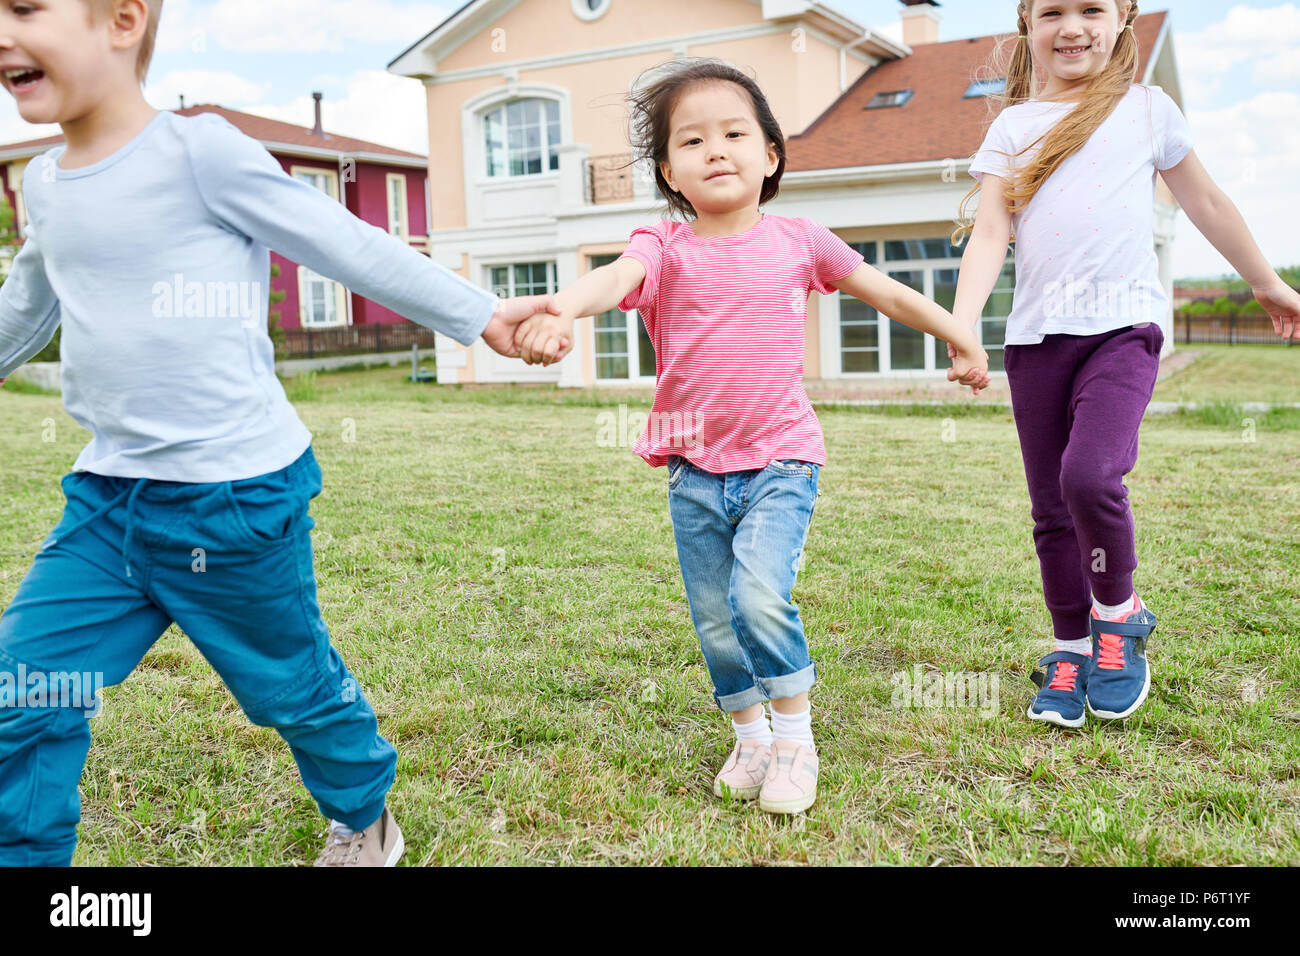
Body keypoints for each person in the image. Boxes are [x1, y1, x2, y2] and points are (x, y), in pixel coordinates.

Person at [0, 0, 558, 866]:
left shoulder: (199, 153)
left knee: (289, 689)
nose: (2, 32)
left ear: (121, 20)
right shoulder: (42, 181)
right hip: (108, 502)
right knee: (23, 693)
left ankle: (365, 810)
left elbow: (342, 242)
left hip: (233, 501)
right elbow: (25, 308)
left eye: (25, 7)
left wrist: (481, 314)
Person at [516, 58, 989, 814]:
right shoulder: (663, 247)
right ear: (670, 172)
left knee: (757, 595)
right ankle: (751, 737)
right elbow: (609, 278)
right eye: (692, 140)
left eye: (735, 133)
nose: (716, 150)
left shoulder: (801, 240)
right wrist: (560, 310)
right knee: (713, 614)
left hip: (782, 459)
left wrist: (959, 336)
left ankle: (796, 743)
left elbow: (890, 291)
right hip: (693, 470)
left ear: (770, 154)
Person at [951, 0, 1299, 729]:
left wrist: (1265, 281)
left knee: (1090, 475)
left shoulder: (1147, 110)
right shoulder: (1011, 128)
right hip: (1037, 339)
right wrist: (962, 325)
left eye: (1091, 9)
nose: (1071, 26)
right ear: (1026, 24)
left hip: (1122, 331)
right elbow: (990, 232)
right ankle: (1071, 648)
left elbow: (1204, 200)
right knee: (1051, 509)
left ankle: (1120, 616)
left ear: (1122, 18)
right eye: (1052, 11)